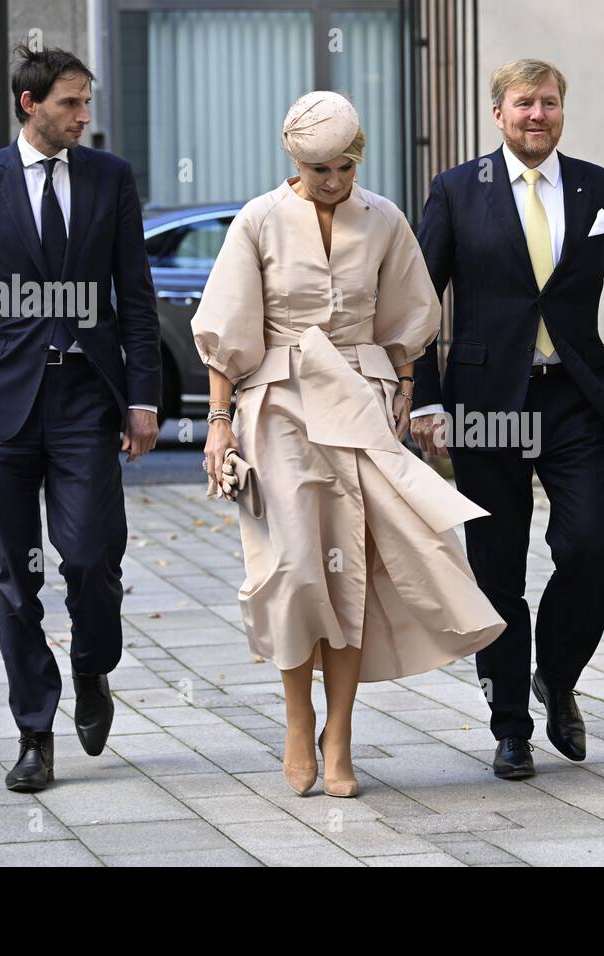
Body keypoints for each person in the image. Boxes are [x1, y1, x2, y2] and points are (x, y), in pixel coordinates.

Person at [192, 91, 504, 799]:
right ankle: (297, 719)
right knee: (295, 568)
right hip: (276, 408)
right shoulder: (259, 220)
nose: (332, 181)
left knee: (354, 573)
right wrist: (217, 424)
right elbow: (226, 331)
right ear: (292, 159)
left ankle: (340, 736)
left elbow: (409, 318)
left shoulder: (385, 218)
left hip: (361, 405)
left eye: (343, 167)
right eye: (316, 168)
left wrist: (404, 387)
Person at [410, 60, 604, 780]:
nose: (537, 115)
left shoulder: (599, 189)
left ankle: (555, 676)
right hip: (484, 404)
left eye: (549, 103)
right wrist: (426, 398)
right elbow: (417, 303)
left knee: (589, 549)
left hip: (574, 399)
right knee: (496, 571)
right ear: (498, 114)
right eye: (524, 104)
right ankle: (510, 728)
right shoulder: (458, 191)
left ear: (562, 112)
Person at [0, 44, 162, 792]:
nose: (84, 117)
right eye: (69, 104)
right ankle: (34, 733)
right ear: (29, 105)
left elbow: (135, 295)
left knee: (91, 557)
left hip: (87, 398)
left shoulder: (109, 178)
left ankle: (92, 666)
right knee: (14, 578)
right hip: (2, 405)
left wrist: (145, 396)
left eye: (87, 103)